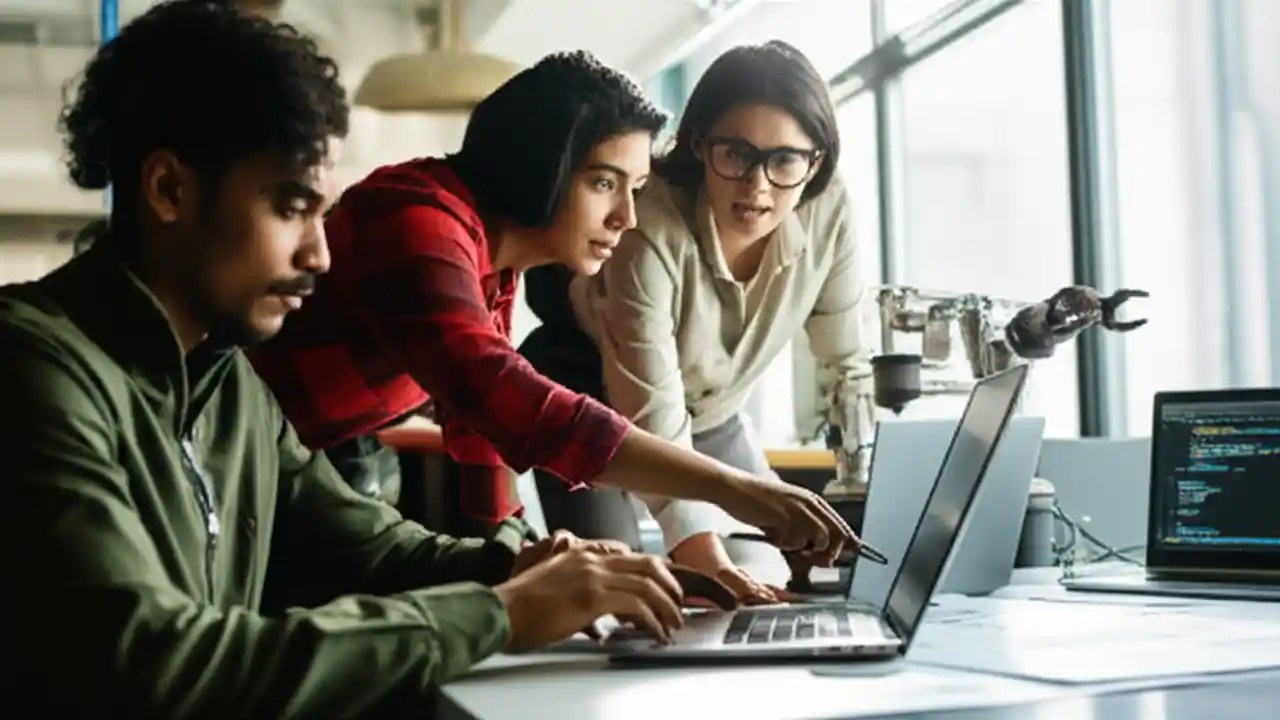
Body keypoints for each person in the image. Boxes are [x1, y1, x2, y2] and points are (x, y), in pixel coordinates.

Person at [0, 3, 704, 715]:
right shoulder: (32, 370)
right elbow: (154, 666)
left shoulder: (229, 384)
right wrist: (505, 610)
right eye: (291, 208)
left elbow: (370, 548)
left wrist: (533, 568)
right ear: (169, 190)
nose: (320, 253)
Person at [247, 46, 859, 558]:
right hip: (234, 453)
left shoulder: (492, 266)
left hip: (297, 454)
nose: (625, 217)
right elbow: (506, 397)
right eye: (604, 183)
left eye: (636, 189)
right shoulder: (418, 220)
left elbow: (479, 433)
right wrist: (736, 489)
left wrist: (522, 553)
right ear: (542, 166)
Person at [520, 41, 866, 602]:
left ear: (817, 160)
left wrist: (865, 476)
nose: (757, 185)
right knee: (616, 589)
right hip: (595, 395)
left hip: (713, 413)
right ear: (701, 143)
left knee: (768, 571)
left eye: (785, 160)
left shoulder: (830, 208)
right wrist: (710, 566)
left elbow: (845, 359)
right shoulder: (647, 225)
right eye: (736, 154)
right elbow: (652, 412)